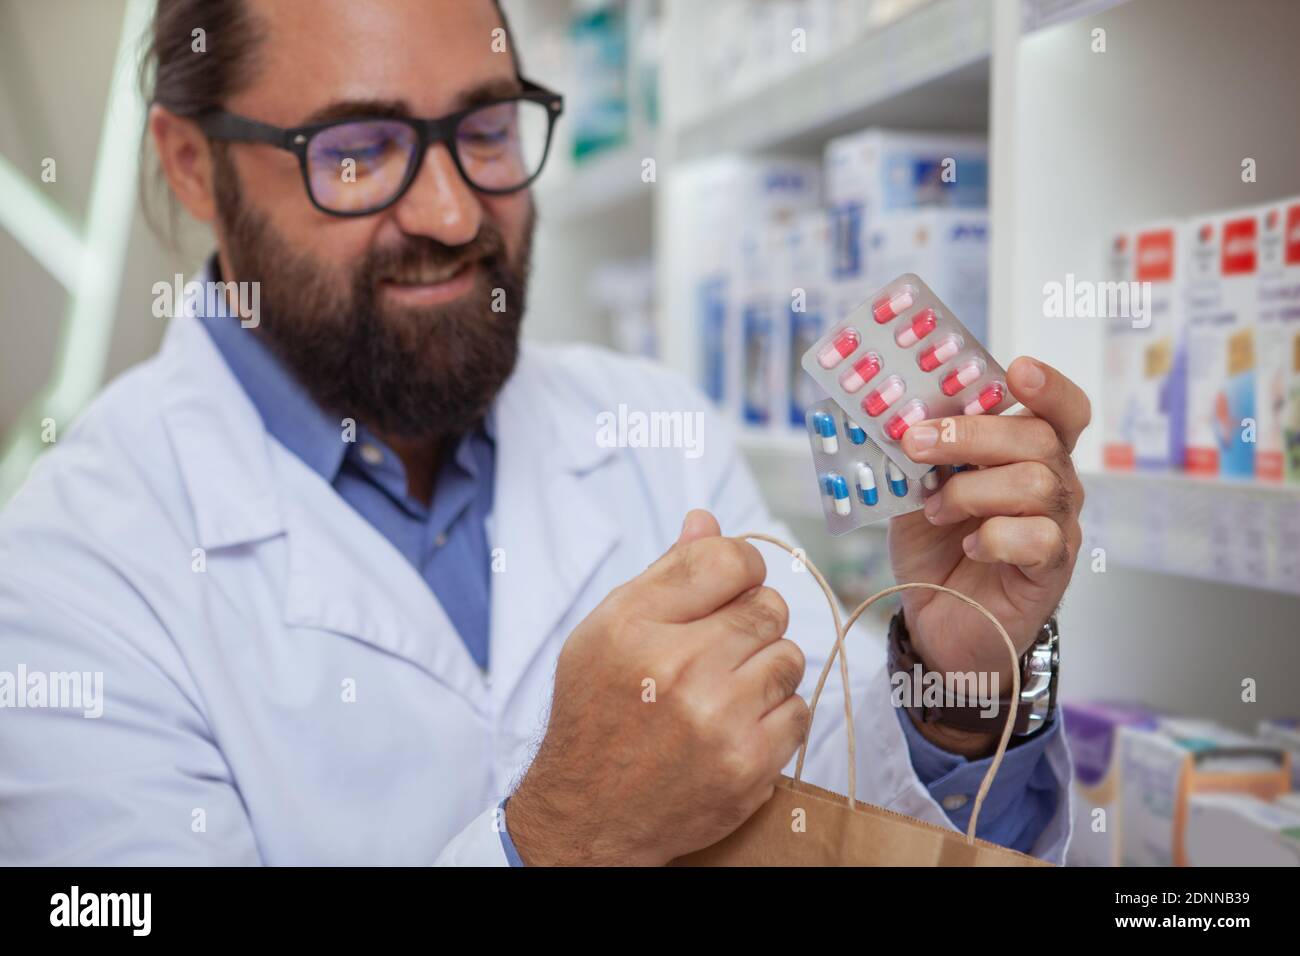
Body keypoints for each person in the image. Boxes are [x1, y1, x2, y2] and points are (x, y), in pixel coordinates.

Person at [0, 0, 1088, 865]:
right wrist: (556, 840)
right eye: (357, 150)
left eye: (483, 129)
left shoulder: (651, 428)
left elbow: (839, 818)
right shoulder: (67, 572)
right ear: (193, 163)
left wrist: (957, 678)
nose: (453, 213)